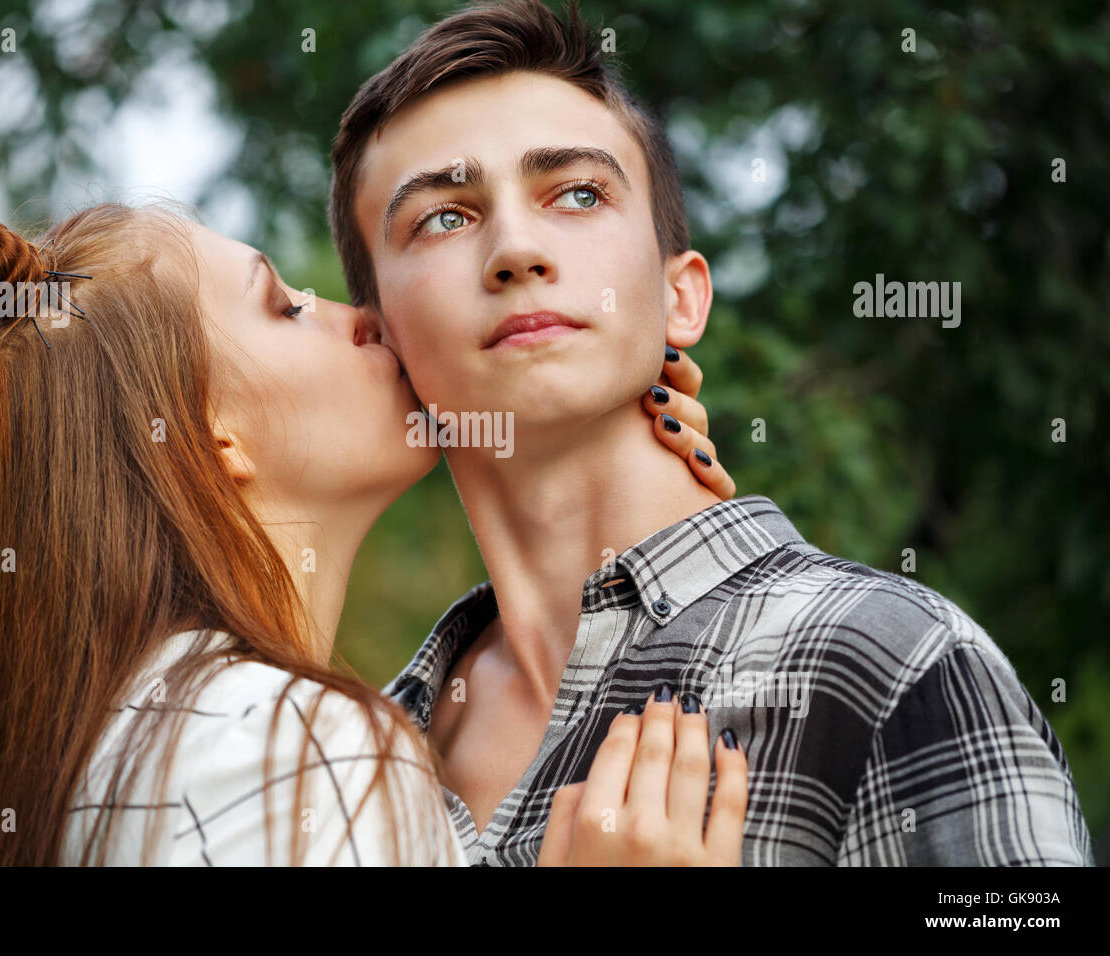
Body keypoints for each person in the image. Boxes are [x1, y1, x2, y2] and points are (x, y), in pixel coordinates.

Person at [326, 0, 1095, 865]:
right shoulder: (347, 779)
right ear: (380, 339)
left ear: (681, 297)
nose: (514, 248)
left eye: (578, 194)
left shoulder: (890, 661)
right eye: (445, 215)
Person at [0, 207, 746, 866]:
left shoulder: (109, 743)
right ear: (211, 436)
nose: (360, 316)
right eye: (286, 306)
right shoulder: (294, 747)